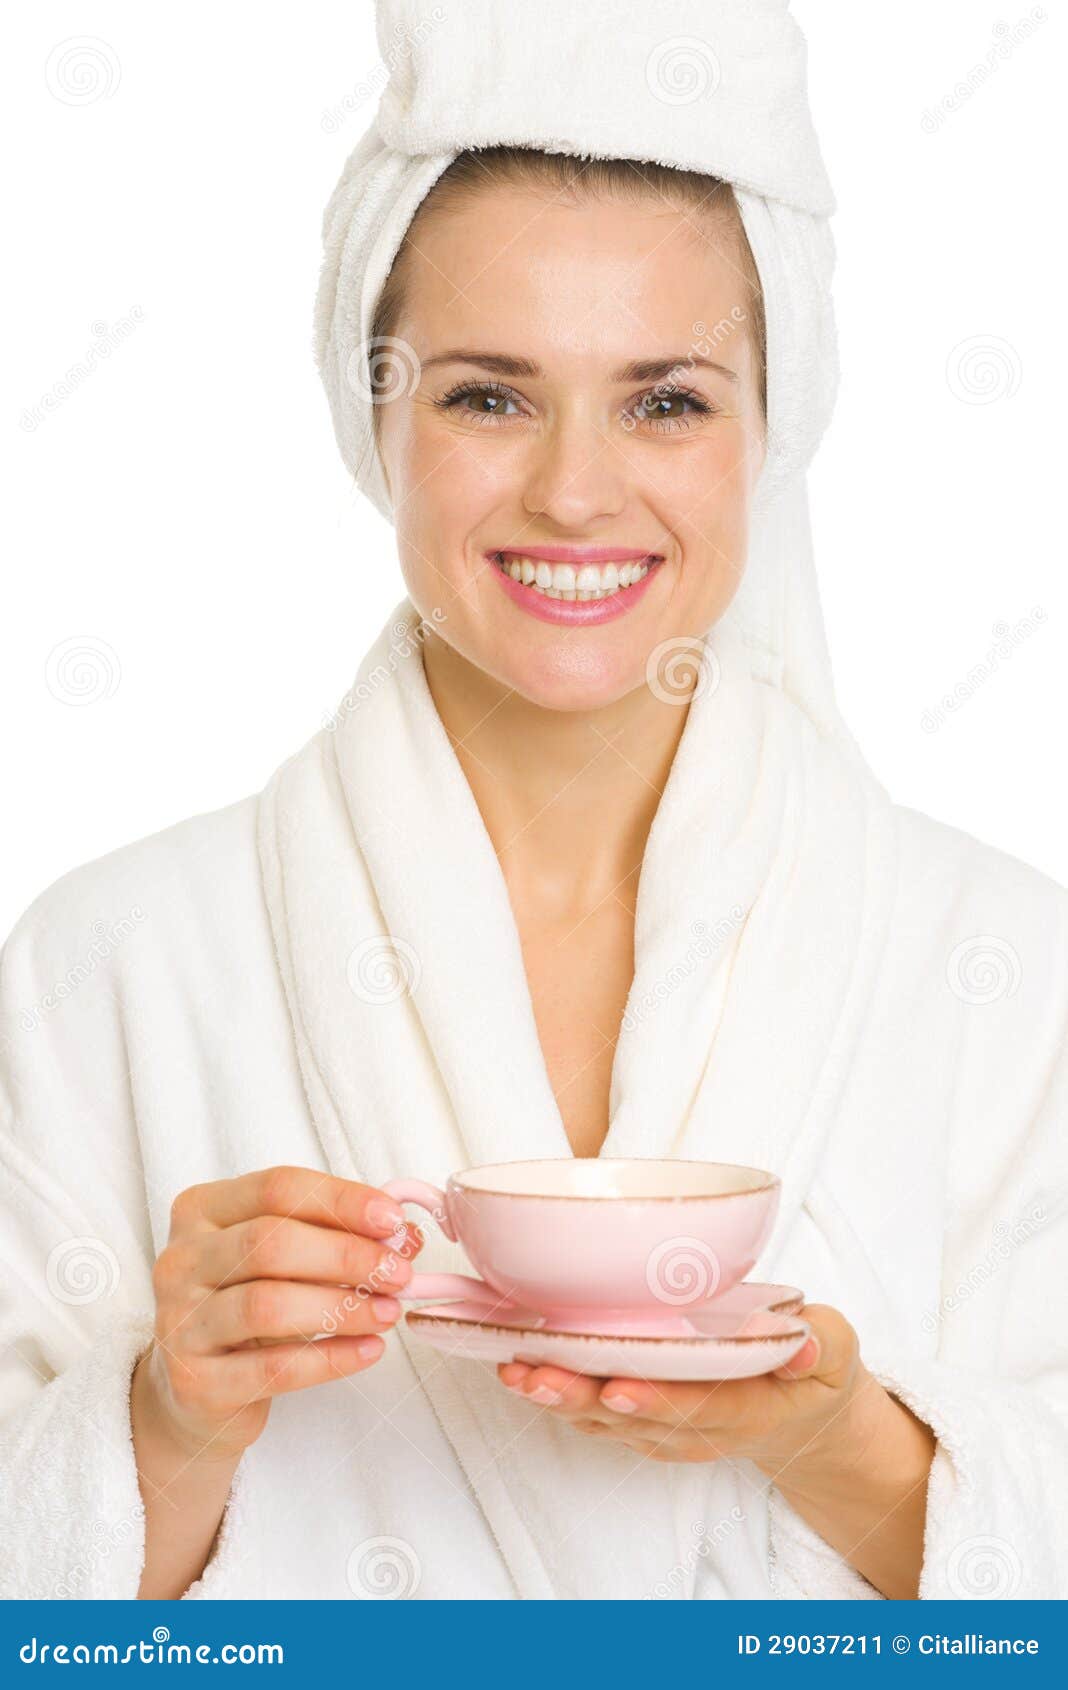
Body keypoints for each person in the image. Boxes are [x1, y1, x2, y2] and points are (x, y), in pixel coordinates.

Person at [1, 0, 1065, 1602]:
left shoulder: (1004, 967)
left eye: (667, 399)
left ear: (772, 427)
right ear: (373, 415)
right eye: (488, 396)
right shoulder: (113, 963)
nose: (575, 490)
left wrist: (839, 1439)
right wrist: (166, 1415)